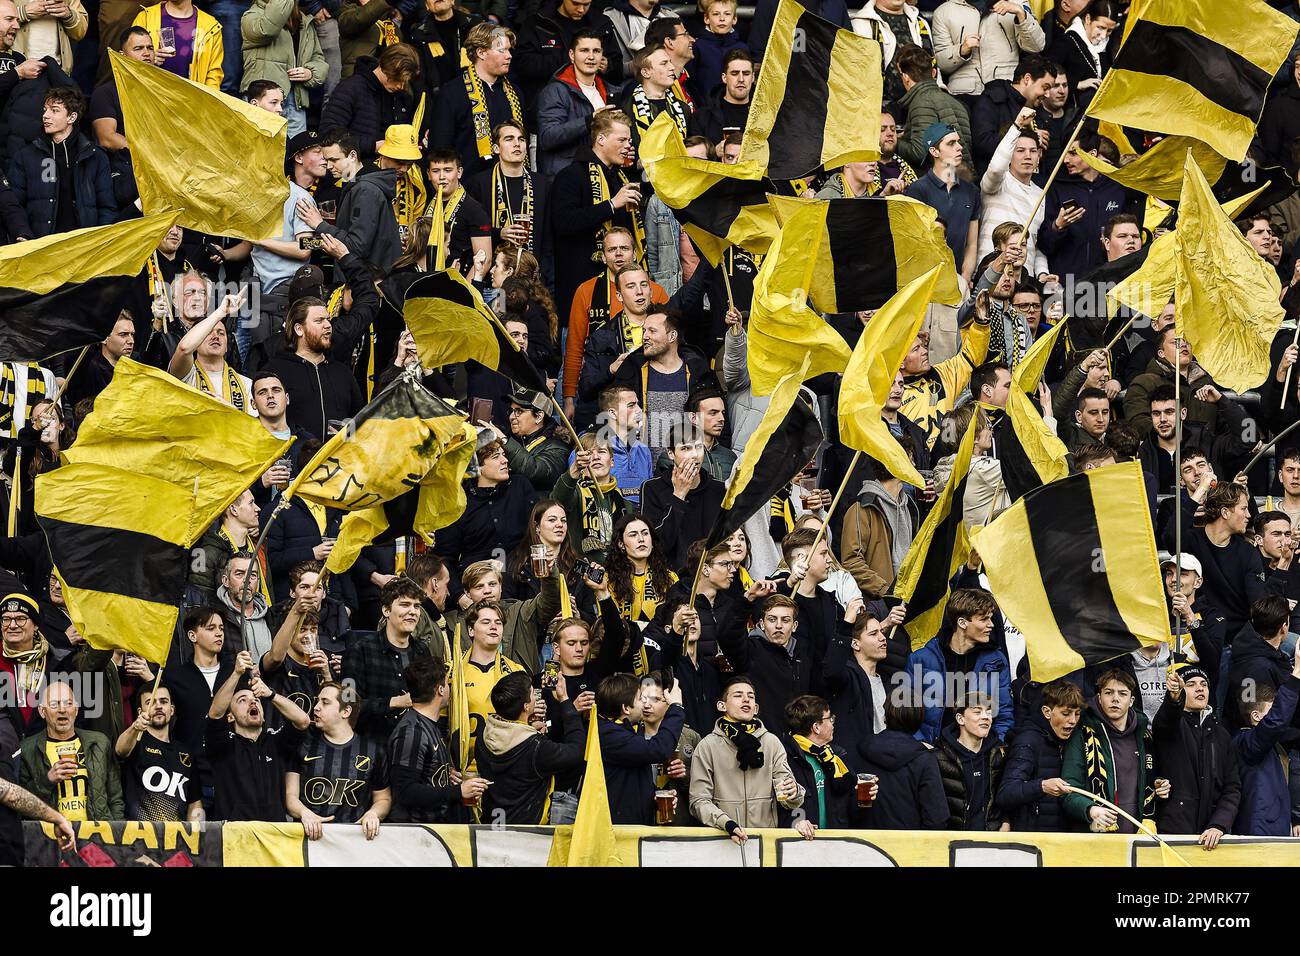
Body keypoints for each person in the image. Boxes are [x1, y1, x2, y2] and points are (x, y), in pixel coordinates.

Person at [549, 108, 642, 326]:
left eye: (629, 140)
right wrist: (611, 205)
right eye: (621, 139)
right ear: (601, 139)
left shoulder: (620, 177)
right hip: (581, 288)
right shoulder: (570, 176)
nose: (628, 145)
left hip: (621, 290)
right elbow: (563, 223)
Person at [688, 675, 806, 843]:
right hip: (722, 840)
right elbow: (698, 801)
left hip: (764, 842)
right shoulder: (707, 746)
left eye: (751, 697)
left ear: (756, 708)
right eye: (738, 695)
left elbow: (790, 800)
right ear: (722, 705)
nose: (746, 700)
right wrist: (726, 824)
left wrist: (793, 792)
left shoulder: (771, 742)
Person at [477, 669, 585, 824]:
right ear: (526, 706)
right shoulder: (537, 748)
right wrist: (565, 700)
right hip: (526, 836)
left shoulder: (483, 735)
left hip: (492, 828)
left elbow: (511, 740)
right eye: (533, 694)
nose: (536, 698)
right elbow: (577, 751)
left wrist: (528, 727)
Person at [1062, 668, 1163, 833]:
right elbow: (1068, 790)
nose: (1115, 699)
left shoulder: (1144, 735)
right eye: (1109, 692)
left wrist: (1160, 785)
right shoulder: (1082, 734)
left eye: (1122, 694)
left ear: (1131, 701)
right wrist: (1090, 810)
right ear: (1099, 698)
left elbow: (1152, 779)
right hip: (1096, 837)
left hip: (1139, 835)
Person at [286, 682, 391, 840]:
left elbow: (383, 798)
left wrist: (373, 813)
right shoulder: (304, 746)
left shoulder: (373, 751)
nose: (316, 707)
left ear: (346, 711)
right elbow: (290, 796)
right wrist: (305, 813)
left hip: (354, 842)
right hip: (309, 841)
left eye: (325, 702)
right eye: (317, 701)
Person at [907, 588, 1013, 743]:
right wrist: (921, 746)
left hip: (977, 755)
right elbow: (906, 713)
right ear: (962, 622)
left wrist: (996, 748)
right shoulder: (920, 659)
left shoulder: (996, 662)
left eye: (990, 619)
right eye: (984, 619)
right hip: (929, 751)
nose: (991, 625)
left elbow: (1004, 713)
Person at [1151, 667, 1241, 849]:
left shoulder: (1222, 735)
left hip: (1212, 838)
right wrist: (1174, 698)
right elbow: (1165, 720)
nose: (1200, 689)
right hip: (1174, 835)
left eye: (1204, 684)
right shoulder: (1171, 726)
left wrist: (1219, 824)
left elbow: (1232, 788)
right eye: (1191, 685)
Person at [8, 86, 114, 238]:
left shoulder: (95, 156)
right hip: (41, 247)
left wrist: (100, 240)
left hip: (83, 247)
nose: (45, 116)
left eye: (54, 110)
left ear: (72, 117)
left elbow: (107, 207)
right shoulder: (26, 155)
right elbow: (14, 205)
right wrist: (23, 235)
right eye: (45, 110)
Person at [430, 22, 525, 179]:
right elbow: (440, 151)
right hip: (468, 189)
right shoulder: (451, 93)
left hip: (511, 185)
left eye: (509, 50)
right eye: (502, 50)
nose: (509, 56)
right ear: (481, 52)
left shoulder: (515, 93)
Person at [19, 680, 123, 822]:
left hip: (97, 835)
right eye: (54, 704)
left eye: (68, 703)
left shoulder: (99, 742)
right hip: (51, 835)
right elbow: (21, 804)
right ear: (42, 712)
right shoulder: (27, 749)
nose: (62, 709)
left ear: (76, 710)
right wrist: (47, 780)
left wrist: (115, 834)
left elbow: (115, 798)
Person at [263, 296, 365, 440]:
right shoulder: (275, 372)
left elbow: (359, 421)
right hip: (294, 460)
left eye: (328, 319)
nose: (328, 325)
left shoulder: (342, 372)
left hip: (338, 460)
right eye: (319, 321)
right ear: (299, 329)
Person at [343, 578, 432, 739]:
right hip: (372, 749)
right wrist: (394, 702)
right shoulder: (360, 650)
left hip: (414, 746)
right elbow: (348, 706)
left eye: (417, 606)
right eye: (405, 604)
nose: (413, 611)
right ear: (386, 610)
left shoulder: (422, 651)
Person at [305, 129, 402, 272]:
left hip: (367, 283)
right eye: (326, 160)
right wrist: (304, 243)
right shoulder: (357, 185)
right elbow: (347, 239)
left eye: (334, 160)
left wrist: (319, 224)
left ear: (352, 156)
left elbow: (356, 246)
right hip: (364, 279)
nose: (329, 166)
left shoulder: (365, 190)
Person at [1038, 133, 1130, 280]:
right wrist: (1058, 226)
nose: (1066, 160)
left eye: (1073, 153)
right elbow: (1044, 245)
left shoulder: (1117, 188)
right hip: (1065, 282)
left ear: (1092, 154)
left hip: (1108, 281)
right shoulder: (1057, 188)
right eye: (1065, 153)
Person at [716, 593, 819, 723]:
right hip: (760, 735)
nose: (779, 626)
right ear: (762, 624)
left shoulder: (803, 654)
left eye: (785, 620)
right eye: (772, 619)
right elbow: (727, 636)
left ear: (794, 626)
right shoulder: (750, 650)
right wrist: (748, 599)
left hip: (796, 736)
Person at [598, 672, 685, 824]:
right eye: (640, 698)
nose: (645, 703)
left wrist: (655, 796)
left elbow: (631, 780)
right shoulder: (609, 734)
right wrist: (676, 707)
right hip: (617, 832)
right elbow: (659, 749)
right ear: (626, 708)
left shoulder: (627, 730)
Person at [995, 679, 1082, 832]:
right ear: (1047, 712)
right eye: (1066, 714)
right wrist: (1041, 786)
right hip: (1033, 840)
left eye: (1077, 714)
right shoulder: (1027, 741)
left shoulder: (1074, 740)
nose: (1073, 720)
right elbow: (1005, 793)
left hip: (1064, 839)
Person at [639, 423, 725, 568]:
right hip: (671, 576)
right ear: (671, 453)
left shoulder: (719, 489)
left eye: (698, 447)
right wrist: (679, 495)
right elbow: (656, 546)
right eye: (685, 448)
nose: (694, 455)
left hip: (712, 575)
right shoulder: (652, 488)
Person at [1234, 651, 1300, 836]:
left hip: (1274, 834)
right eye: (1272, 711)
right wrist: (1297, 674)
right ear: (1256, 716)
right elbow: (1275, 722)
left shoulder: (1272, 745)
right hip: (1259, 836)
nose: (1280, 716)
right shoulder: (1246, 743)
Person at [114, 683, 203, 821]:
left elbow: (195, 802)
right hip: (140, 837)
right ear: (140, 712)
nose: (158, 706)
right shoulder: (135, 741)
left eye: (164, 701)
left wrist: (195, 836)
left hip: (176, 838)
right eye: (150, 702)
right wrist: (134, 727)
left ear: (171, 710)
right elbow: (120, 750)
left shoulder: (186, 752)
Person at [536, 29, 616, 180]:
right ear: (572, 55)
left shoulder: (610, 92)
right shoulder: (555, 91)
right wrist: (589, 121)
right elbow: (547, 137)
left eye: (596, 51)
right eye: (584, 50)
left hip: (600, 178)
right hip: (566, 179)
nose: (591, 57)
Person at [977, 110, 1049, 278]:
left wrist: (1042, 272)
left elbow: (1036, 242)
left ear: (1039, 156)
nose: (1027, 156)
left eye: (1033, 151)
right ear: (1009, 154)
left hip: (1024, 278)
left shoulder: (1041, 194)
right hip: (992, 271)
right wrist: (1017, 126)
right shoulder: (997, 183)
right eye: (1020, 150)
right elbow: (995, 169)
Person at [239, 0, 327, 137]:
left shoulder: (304, 21)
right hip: (263, 98)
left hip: (296, 100)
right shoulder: (252, 15)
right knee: (259, 150)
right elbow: (268, 29)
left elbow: (318, 59)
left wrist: (310, 72)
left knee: (295, 155)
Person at [857, 700, 949, 829]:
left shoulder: (863, 751)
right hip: (910, 845)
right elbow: (937, 818)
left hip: (866, 844)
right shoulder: (925, 759)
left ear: (885, 716)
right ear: (919, 720)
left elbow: (849, 806)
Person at [320, 42, 417, 162]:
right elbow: (329, 134)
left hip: (390, 173)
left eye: (405, 82)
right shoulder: (351, 88)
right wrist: (373, 146)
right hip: (354, 171)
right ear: (385, 68)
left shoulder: (402, 97)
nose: (401, 86)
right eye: (397, 79)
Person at [514, 0, 620, 104]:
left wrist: (608, 66)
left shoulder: (601, 23)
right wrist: (572, 59)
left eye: (586, 4)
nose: (581, 9)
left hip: (595, 97)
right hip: (549, 99)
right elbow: (522, 64)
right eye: (575, 3)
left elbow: (618, 66)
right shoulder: (539, 23)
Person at [779, 694, 855, 831]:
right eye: (829, 718)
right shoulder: (785, 757)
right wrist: (795, 823)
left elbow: (850, 806)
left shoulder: (836, 756)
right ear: (816, 727)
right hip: (802, 843)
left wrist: (861, 800)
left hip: (834, 843)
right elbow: (779, 805)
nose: (833, 723)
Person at [934, 693, 1008, 830]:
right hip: (953, 842)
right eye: (977, 712)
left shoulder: (999, 754)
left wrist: (1006, 822)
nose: (986, 717)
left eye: (989, 712)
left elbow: (1007, 795)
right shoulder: (939, 757)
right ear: (960, 719)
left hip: (991, 841)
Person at [969, 52, 1052, 171]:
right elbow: (983, 144)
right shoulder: (992, 100)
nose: (1048, 94)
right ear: (1027, 79)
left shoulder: (1041, 112)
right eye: (1045, 87)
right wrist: (1030, 139)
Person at [895, 45, 972, 172]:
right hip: (962, 178)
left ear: (906, 77)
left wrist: (894, 141)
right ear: (933, 73)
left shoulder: (921, 103)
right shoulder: (956, 102)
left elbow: (920, 152)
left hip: (939, 183)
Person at [553, 432, 629, 561]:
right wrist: (574, 470)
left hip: (617, 572)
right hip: (581, 573)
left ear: (612, 461)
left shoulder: (625, 504)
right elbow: (557, 501)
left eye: (601, 451)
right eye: (588, 453)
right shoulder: (575, 493)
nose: (595, 457)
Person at [619, 43, 693, 156]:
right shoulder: (626, 110)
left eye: (670, 62)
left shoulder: (684, 109)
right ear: (645, 72)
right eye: (664, 63)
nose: (672, 67)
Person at [132, 0, 224, 88]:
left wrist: (206, 102)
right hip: (152, 97)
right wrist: (149, 59)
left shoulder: (210, 26)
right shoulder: (145, 18)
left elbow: (214, 74)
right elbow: (129, 63)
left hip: (192, 100)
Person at [61, 311, 134, 410]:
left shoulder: (133, 369)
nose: (131, 341)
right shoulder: (87, 369)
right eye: (123, 334)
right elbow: (74, 355)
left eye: (132, 335)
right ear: (104, 338)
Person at [695, 47, 751, 148]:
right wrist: (714, 152)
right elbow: (691, 158)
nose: (741, 79)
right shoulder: (703, 117)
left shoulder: (765, 115)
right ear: (724, 78)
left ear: (753, 77)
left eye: (746, 73)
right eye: (735, 73)